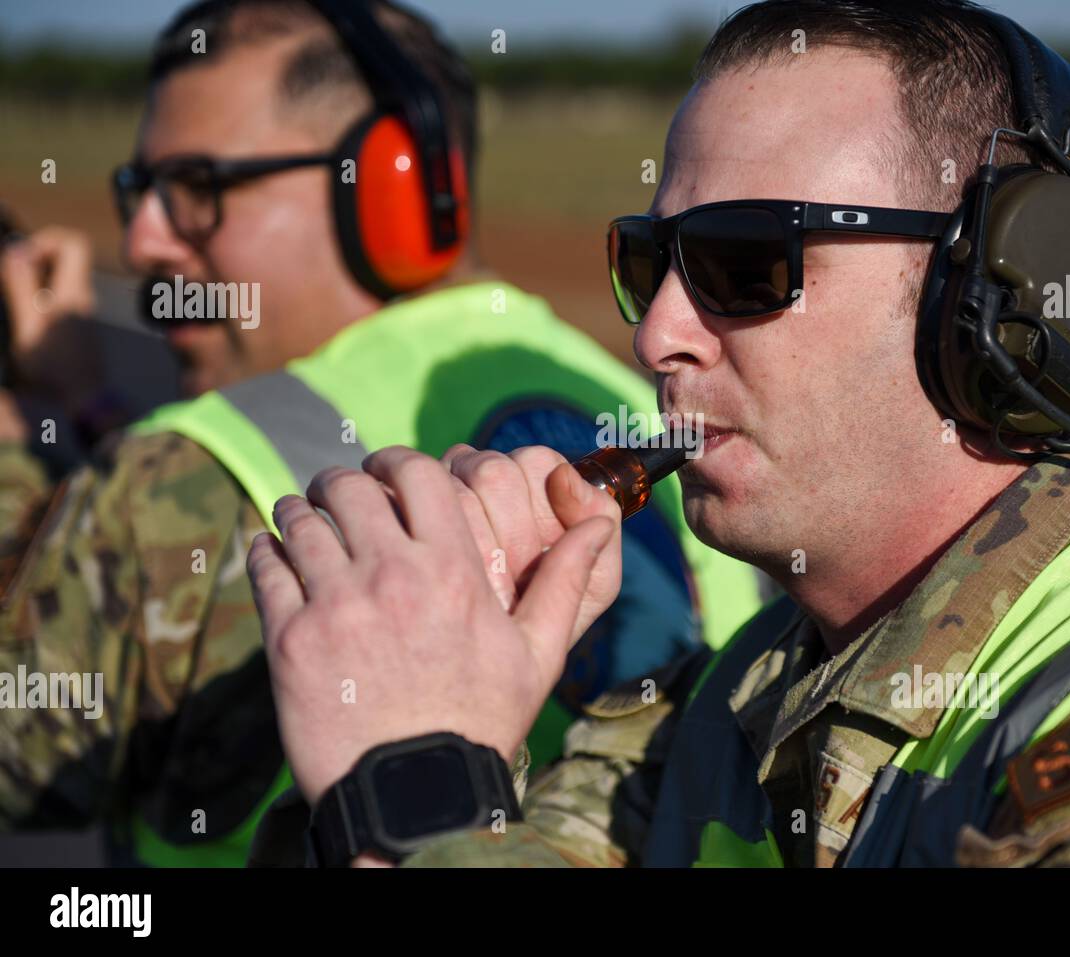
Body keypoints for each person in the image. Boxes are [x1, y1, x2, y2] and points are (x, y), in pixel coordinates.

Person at [248, 0, 1070, 867]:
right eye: (648, 263)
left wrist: (414, 790)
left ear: (991, 296)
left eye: (746, 265)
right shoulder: (731, 696)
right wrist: (428, 693)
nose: (657, 332)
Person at [0, 0, 759, 867]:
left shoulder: (178, 473)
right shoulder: (652, 407)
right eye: (140, 193)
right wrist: (83, 405)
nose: (143, 241)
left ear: (391, 186)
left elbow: (23, 772)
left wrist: (20, 448)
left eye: (197, 188)